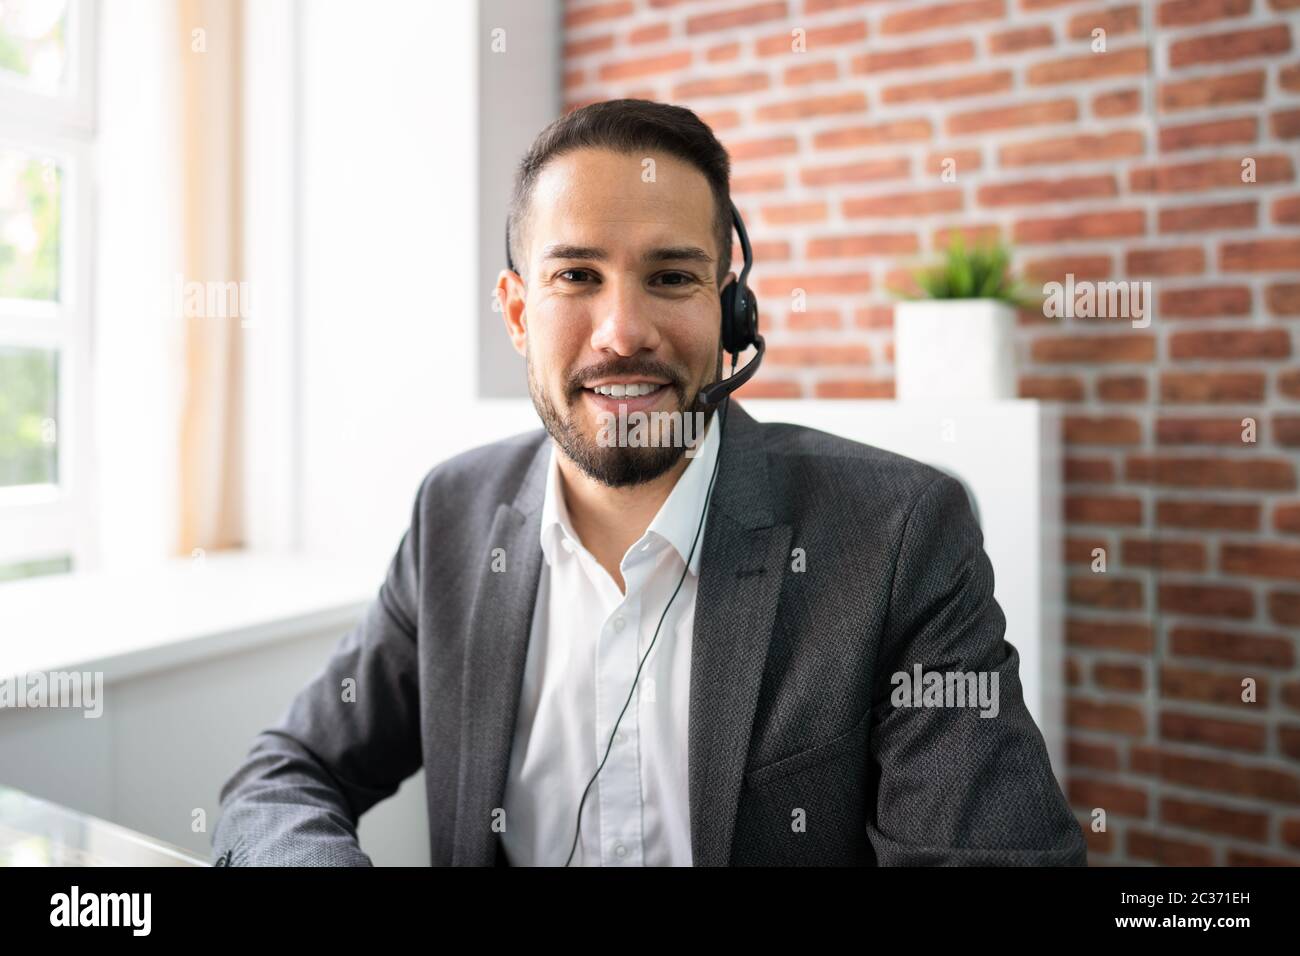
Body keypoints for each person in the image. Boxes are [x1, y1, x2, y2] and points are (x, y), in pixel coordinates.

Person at [212, 98, 1086, 867]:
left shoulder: (894, 535)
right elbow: (289, 772)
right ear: (518, 313)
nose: (623, 331)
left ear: (730, 311)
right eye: (576, 277)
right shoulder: (456, 514)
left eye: (670, 277)